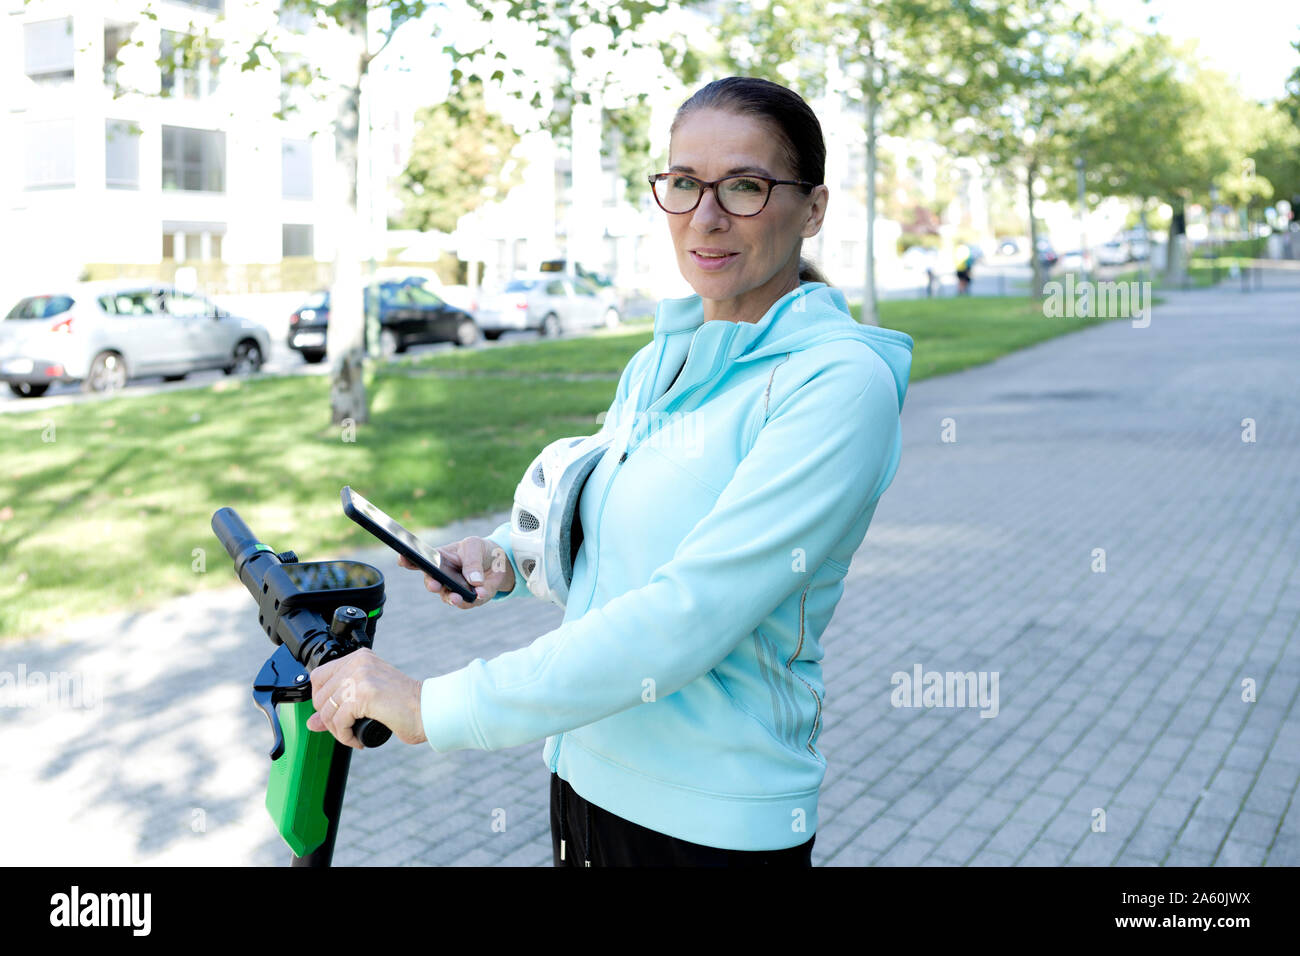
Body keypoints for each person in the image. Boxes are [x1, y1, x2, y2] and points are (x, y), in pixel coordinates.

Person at [303, 75, 914, 867]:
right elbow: (617, 524)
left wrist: (430, 706)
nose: (706, 215)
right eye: (685, 183)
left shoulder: (837, 386)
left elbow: (686, 615)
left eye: (745, 186)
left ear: (814, 207)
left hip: (708, 826)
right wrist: (503, 558)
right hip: (584, 778)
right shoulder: (662, 357)